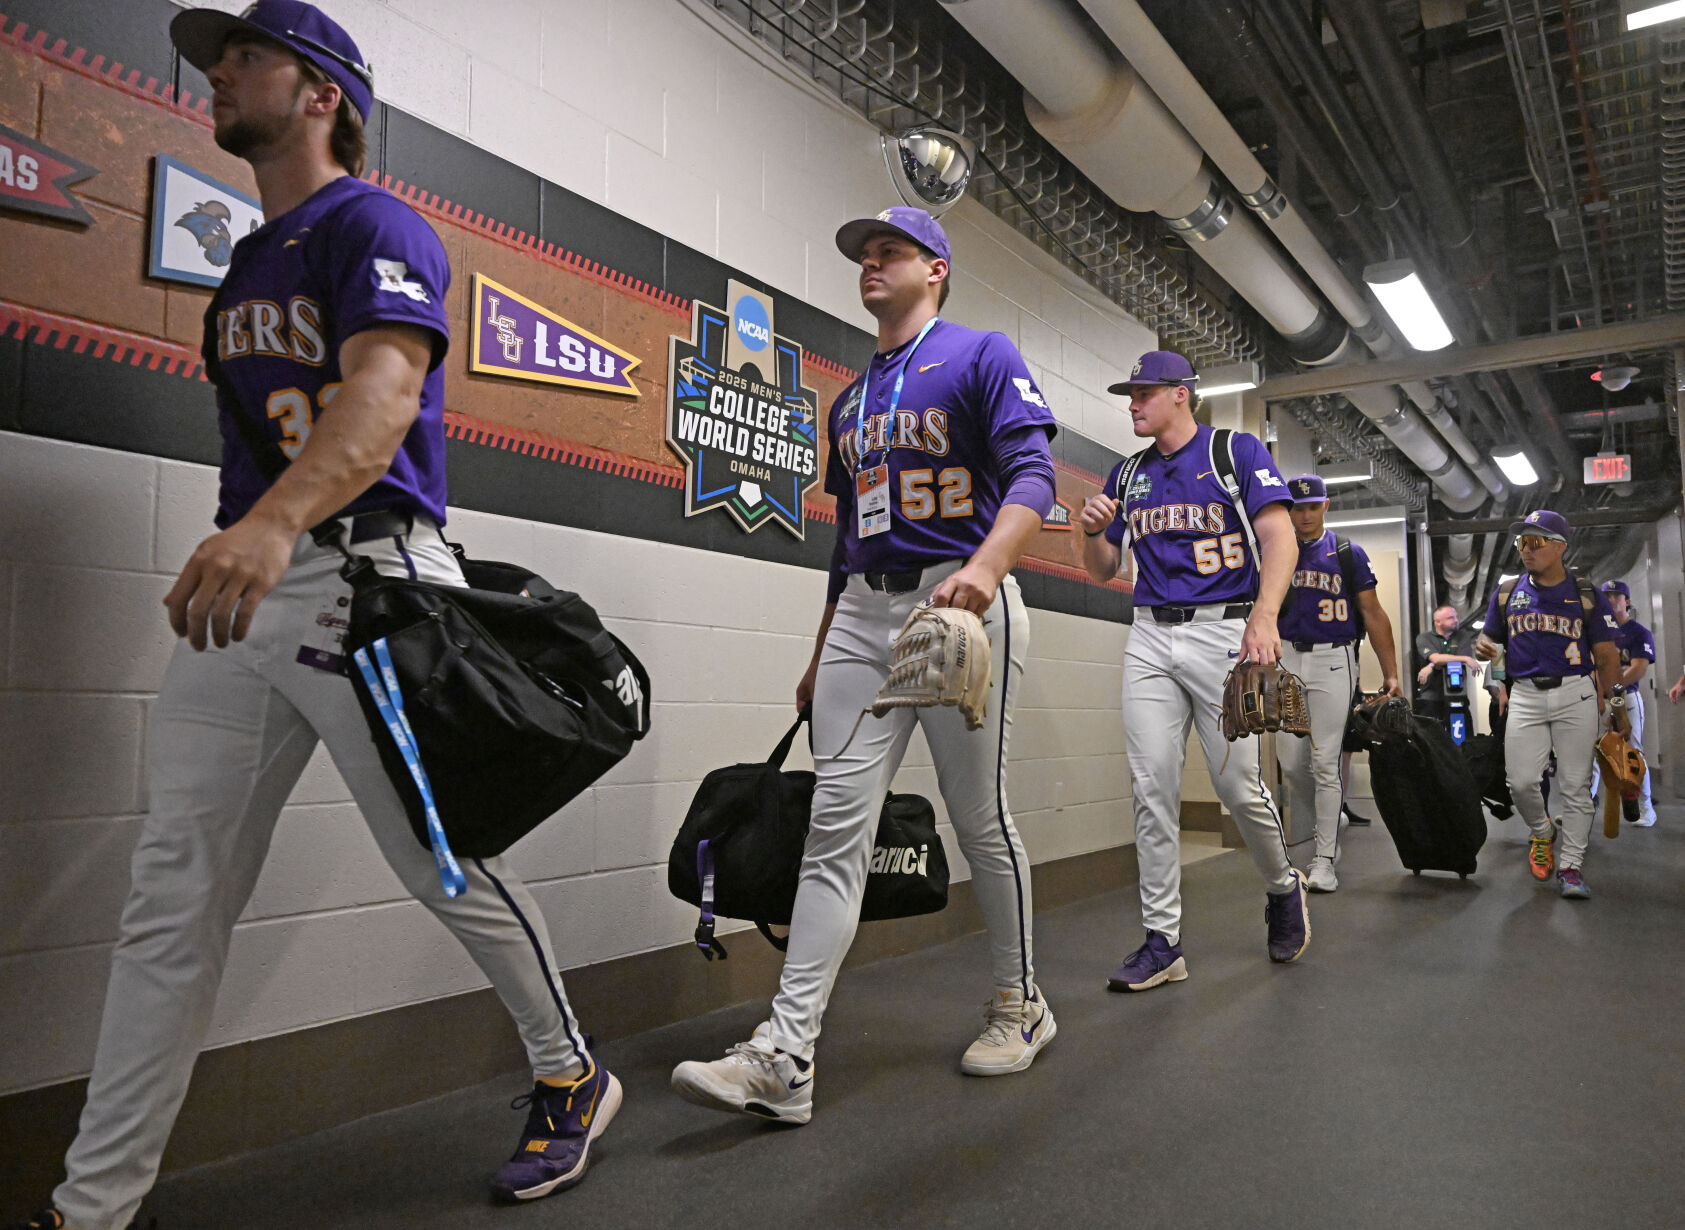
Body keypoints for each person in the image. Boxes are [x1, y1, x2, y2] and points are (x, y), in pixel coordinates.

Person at [12, 7, 617, 1228]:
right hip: (260, 586)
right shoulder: (247, 261)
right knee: (171, 894)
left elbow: (385, 393)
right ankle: (94, 1207)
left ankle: (571, 1069)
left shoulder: (375, 224)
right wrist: (254, 536)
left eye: (245, 54)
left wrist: (278, 526)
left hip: (369, 580)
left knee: (440, 869)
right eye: (217, 56)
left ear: (322, 92)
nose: (219, 70)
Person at [670, 207, 1058, 1125]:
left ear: (937, 268)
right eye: (863, 255)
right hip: (865, 612)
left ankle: (1021, 1003)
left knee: (981, 820)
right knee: (832, 831)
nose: (870, 264)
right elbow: (844, 543)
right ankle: (787, 1055)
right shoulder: (850, 401)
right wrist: (820, 654)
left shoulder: (979, 355)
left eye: (889, 252)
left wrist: (985, 568)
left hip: (961, 602)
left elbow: (1034, 475)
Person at [1079, 350, 1309, 992]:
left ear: (1180, 394)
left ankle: (1282, 885)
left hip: (1223, 631)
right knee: (1151, 786)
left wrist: (1265, 616)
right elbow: (1102, 569)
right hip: (1150, 633)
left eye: (1143, 392)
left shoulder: (1233, 453)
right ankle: (1163, 941)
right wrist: (1091, 529)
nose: (1132, 403)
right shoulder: (1127, 475)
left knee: (1237, 788)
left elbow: (1279, 537)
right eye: (1130, 394)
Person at [1475, 510, 1621, 899]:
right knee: (1520, 782)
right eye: (1522, 542)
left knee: (1575, 786)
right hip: (1525, 693)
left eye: (1535, 542)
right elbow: (1491, 644)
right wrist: (1484, 650)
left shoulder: (1586, 593)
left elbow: (1607, 655)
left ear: (1560, 547)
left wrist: (1606, 701)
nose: (1526, 549)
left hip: (1576, 693)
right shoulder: (1507, 592)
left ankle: (1571, 866)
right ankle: (1543, 832)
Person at [1274, 475, 1402, 892]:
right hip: (1286, 658)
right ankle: (1334, 816)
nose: (1305, 515)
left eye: (1312, 506)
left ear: (1325, 505)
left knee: (1326, 760)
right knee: (1293, 764)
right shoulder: (1275, 550)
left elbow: (1374, 614)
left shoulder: (1346, 552)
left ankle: (1325, 857)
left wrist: (1391, 672)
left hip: (1334, 656)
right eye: (1297, 507)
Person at [1596, 581, 1657, 826]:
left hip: (1627, 698)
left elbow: (1639, 667)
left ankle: (1646, 808)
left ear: (1626, 601)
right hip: (1601, 700)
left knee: (1633, 753)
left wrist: (1614, 686)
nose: (1611, 600)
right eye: (1606, 596)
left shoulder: (1639, 632)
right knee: (1595, 753)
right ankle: (1587, 808)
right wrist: (1600, 694)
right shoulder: (1598, 633)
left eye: (1616, 596)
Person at [1415, 605, 1480, 722]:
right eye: (1451, 618)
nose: (1456, 620)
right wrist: (1464, 659)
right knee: (1430, 734)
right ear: (1438, 622)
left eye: (1456, 617)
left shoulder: (1463, 636)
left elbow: (1438, 660)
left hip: (1458, 693)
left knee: (1464, 733)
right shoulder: (1424, 638)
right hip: (1431, 696)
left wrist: (1431, 666)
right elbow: (1435, 658)